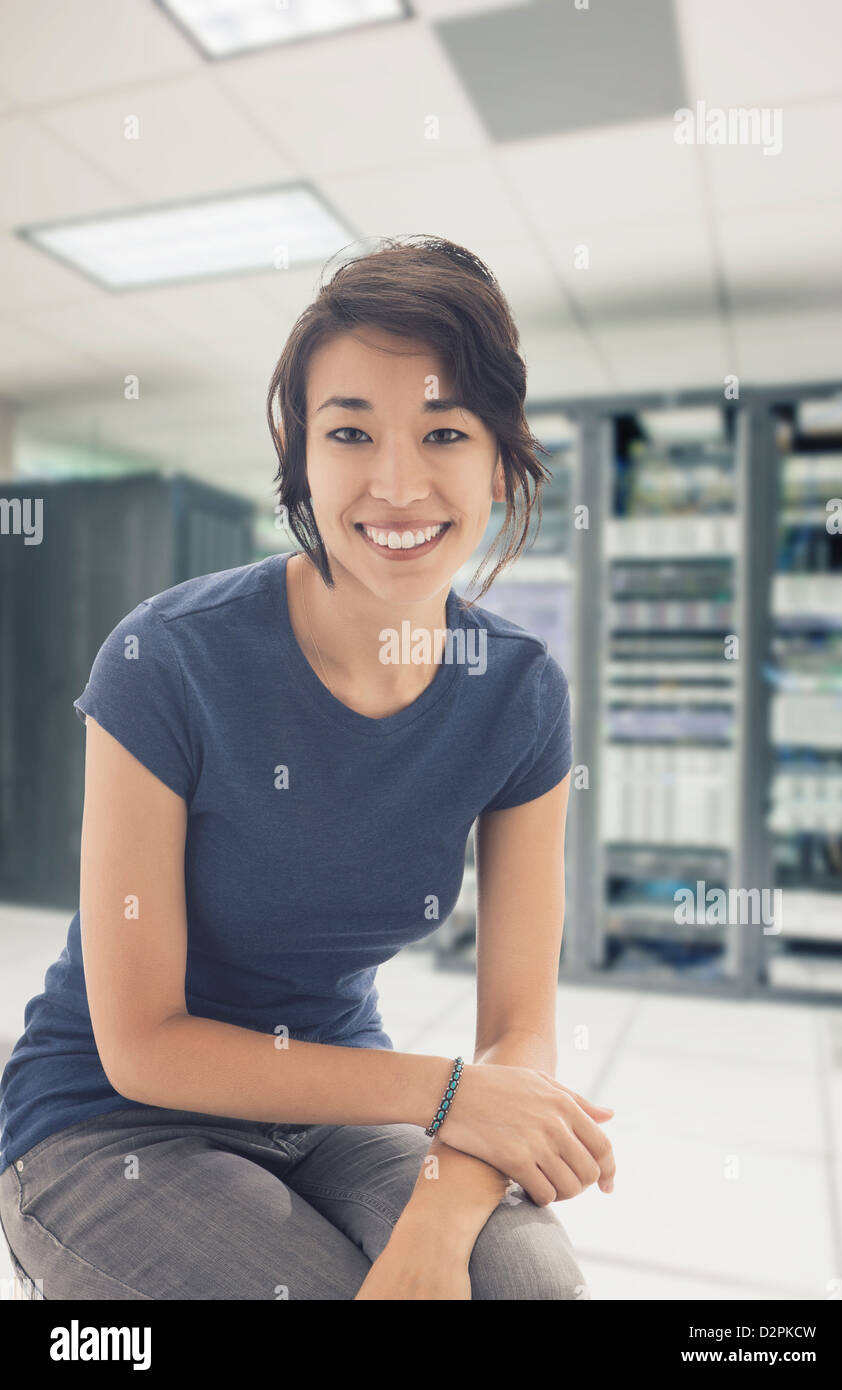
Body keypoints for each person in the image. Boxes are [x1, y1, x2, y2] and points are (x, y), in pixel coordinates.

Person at [0, 235, 615, 1301]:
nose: (396, 481)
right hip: (110, 1117)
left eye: (443, 431)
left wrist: (436, 1218)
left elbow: (518, 1029)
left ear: (500, 457)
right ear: (299, 453)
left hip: (337, 1101)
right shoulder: (167, 660)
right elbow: (143, 1042)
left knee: (524, 1285)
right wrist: (448, 1093)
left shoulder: (518, 695)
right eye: (349, 432)